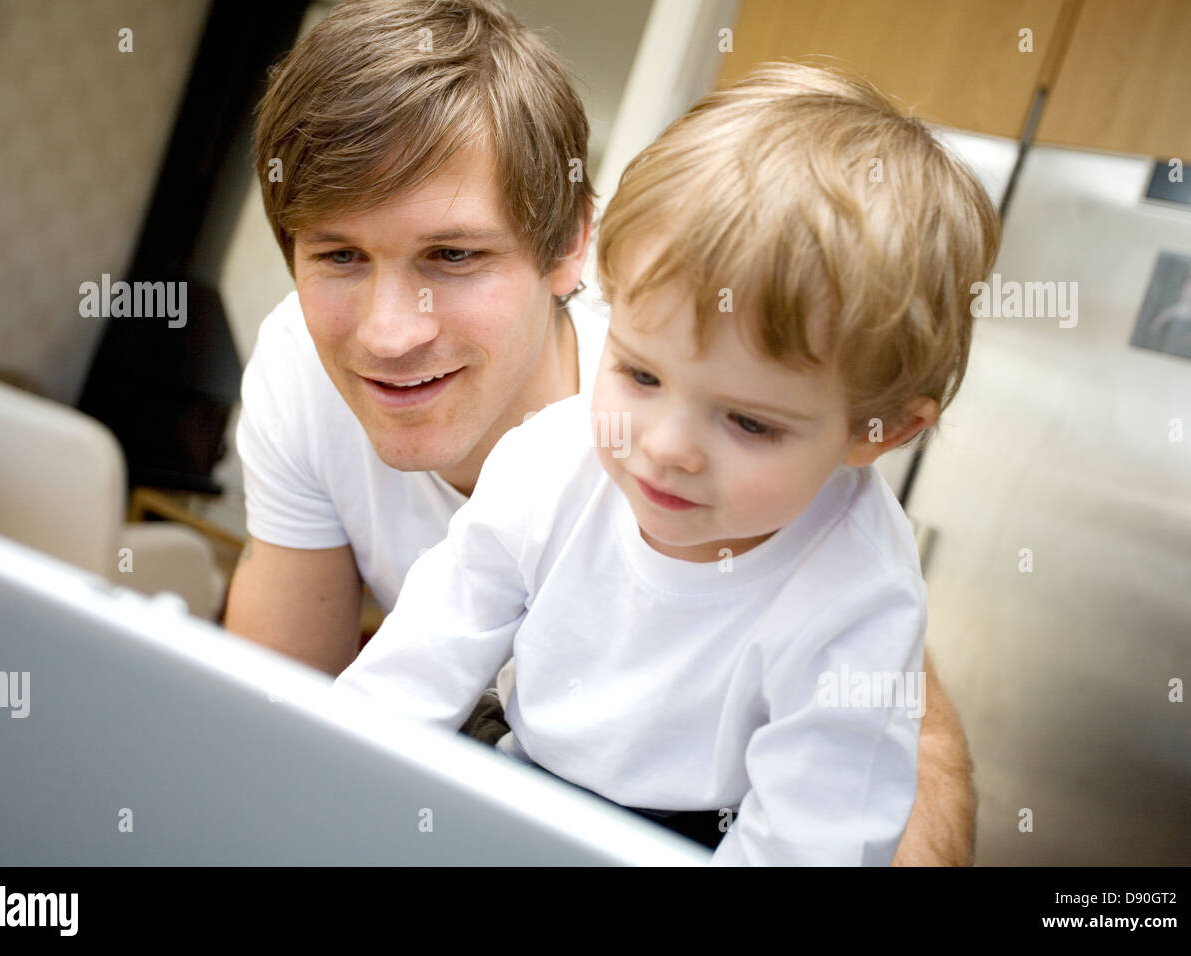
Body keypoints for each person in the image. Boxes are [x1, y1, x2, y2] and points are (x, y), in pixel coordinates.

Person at [225, 0, 978, 865]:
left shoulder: (856, 585)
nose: (664, 446)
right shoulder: (554, 452)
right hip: (519, 780)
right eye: (642, 376)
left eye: (749, 422)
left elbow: (814, 836)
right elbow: (415, 662)